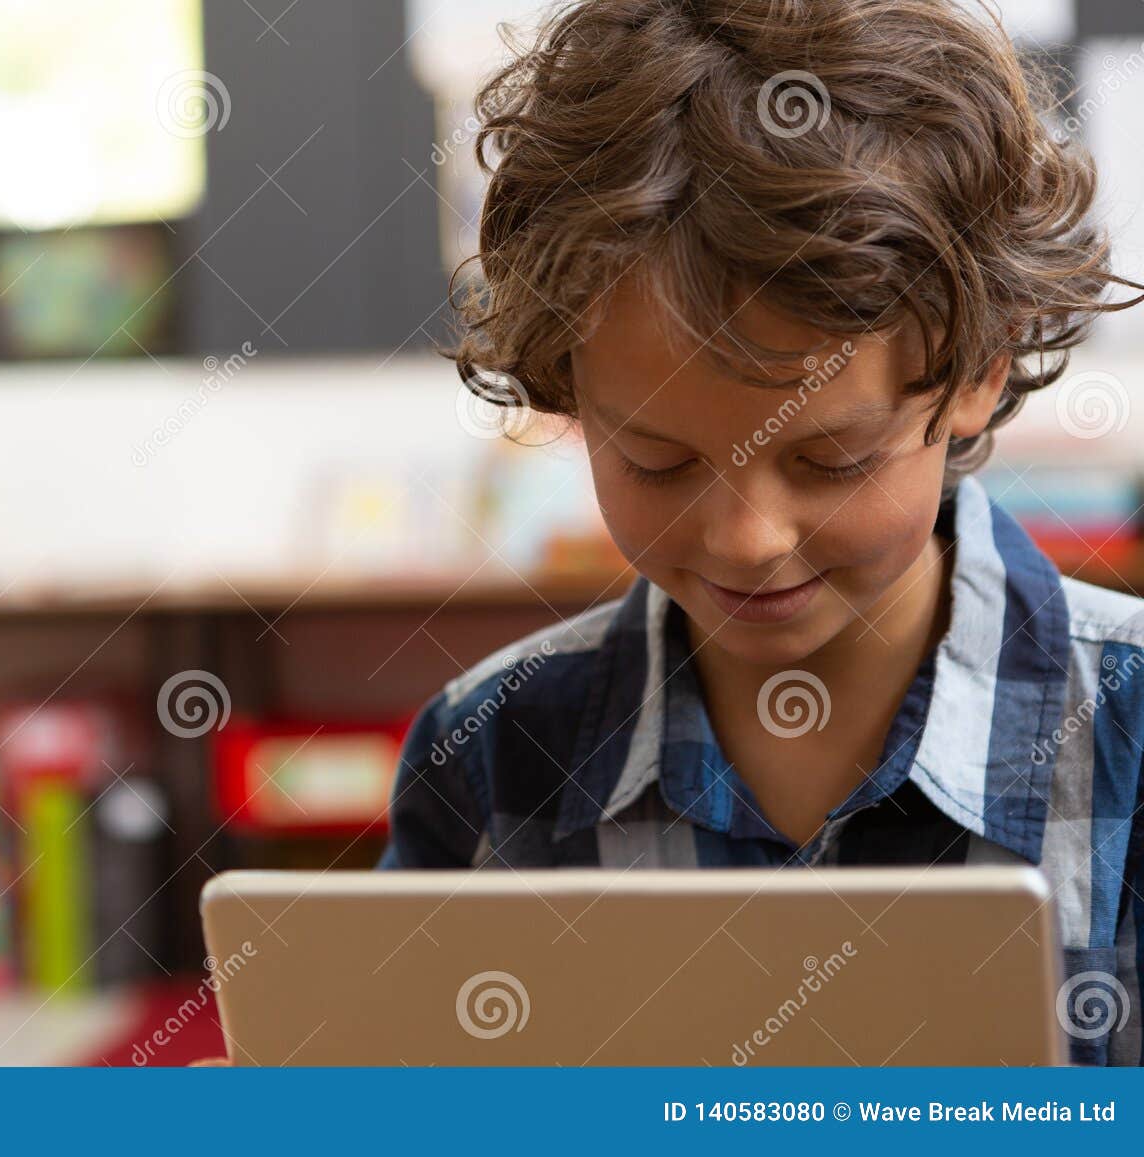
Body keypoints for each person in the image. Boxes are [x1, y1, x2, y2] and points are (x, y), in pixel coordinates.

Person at [380, 0, 1144, 1066]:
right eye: (657, 461)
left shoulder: (1124, 730)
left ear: (978, 368)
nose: (745, 539)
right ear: (569, 397)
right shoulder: (496, 753)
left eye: (832, 460)